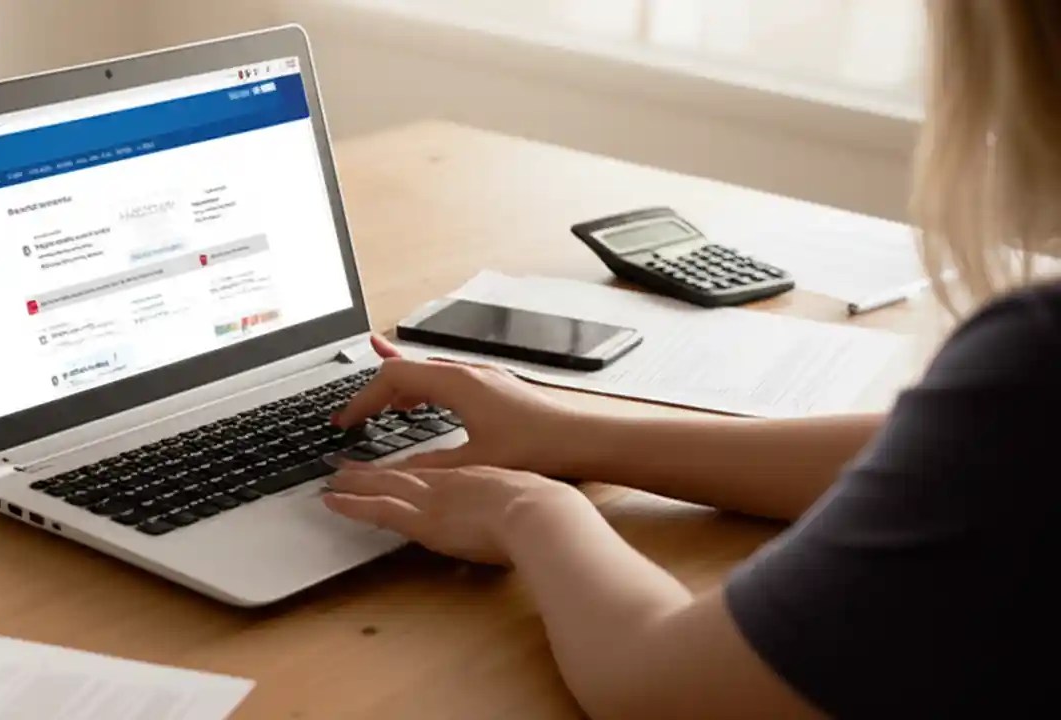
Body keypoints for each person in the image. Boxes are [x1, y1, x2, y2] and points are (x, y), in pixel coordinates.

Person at [321, 2, 1060, 717]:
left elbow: (662, 688)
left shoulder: (1035, 358)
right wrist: (574, 433)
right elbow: (951, 464)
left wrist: (530, 509)